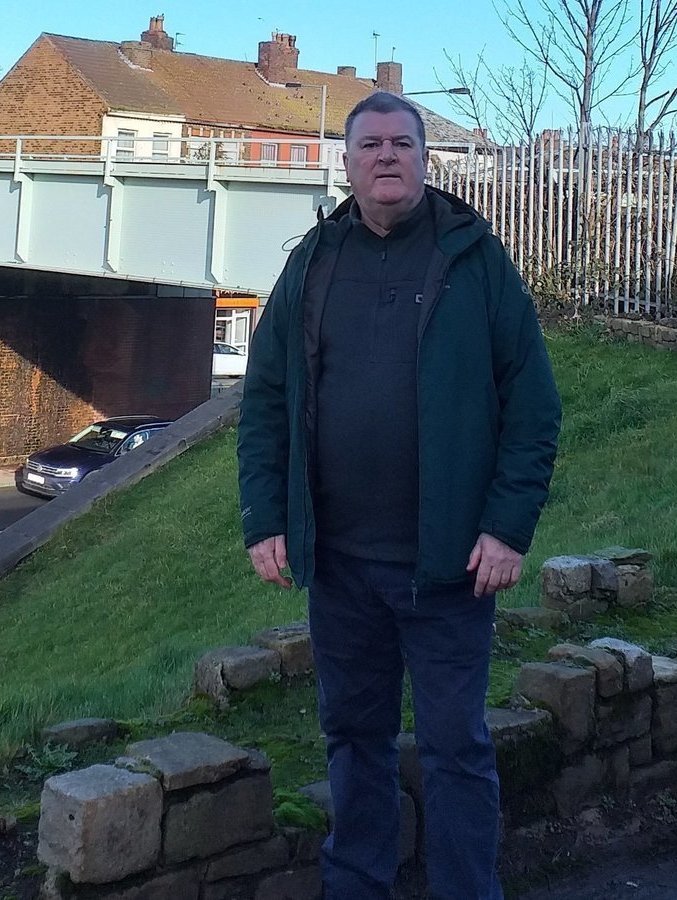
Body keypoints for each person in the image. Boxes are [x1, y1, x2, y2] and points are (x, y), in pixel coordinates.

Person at [237, 92, 562, 899]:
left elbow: (532, 405)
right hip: (342, 567)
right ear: (347, 164)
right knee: (354, 737)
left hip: (449, 569)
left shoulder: (474, 258)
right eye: (371, 144)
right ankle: (358, 886)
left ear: (425, 160)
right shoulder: (312, 260)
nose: (387, 156)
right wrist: (266, 517)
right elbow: (267, 396)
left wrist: (508, 529)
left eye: (403, 144)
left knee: (456, 748)